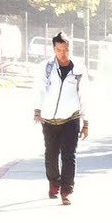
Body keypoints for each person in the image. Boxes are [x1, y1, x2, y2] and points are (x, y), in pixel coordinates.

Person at [33, 31, 89, 206]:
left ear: (70, 48)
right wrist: (37, 110)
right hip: (49, 119)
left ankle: (66, 190)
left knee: (68, 155)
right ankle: (53, 182)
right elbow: (39, 90)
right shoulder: (46, 68)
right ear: (53, 49)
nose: (63, 54)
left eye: (66, 49)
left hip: (71, 118)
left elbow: (84, 96)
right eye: (59, 50)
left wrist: (86, 122)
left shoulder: (79, 70)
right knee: (50, 155)